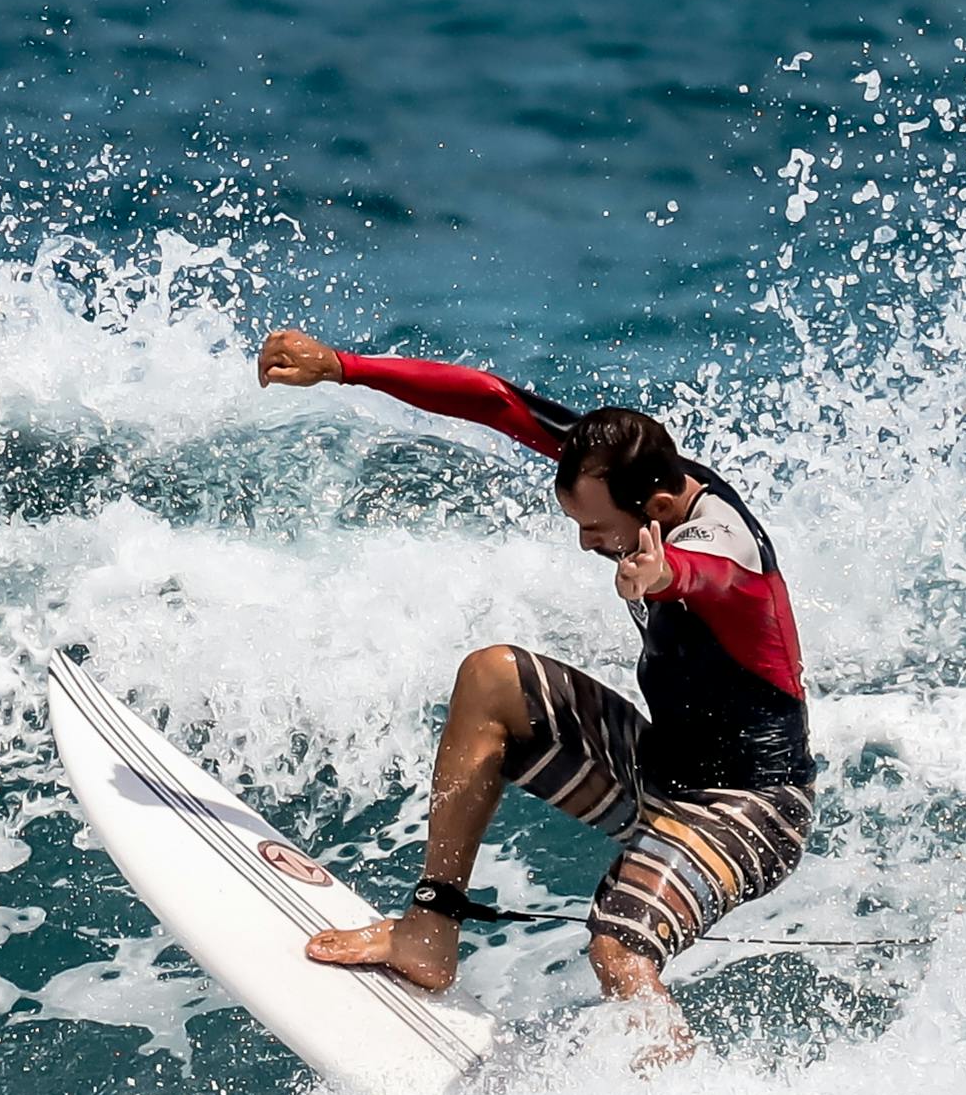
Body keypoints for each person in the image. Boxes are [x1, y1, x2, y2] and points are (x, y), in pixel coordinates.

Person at [255, 327, 813, 1022]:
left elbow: (712, 579)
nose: (587, 543)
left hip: (749, 811)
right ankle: (428, 931)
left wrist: (663, 574)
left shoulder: (721, 547)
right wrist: (345, 368)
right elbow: (497, 402)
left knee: (618, 954)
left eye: (598, 529)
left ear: (659, 511)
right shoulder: (632, 467)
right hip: (658, 772)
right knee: (492, 678)